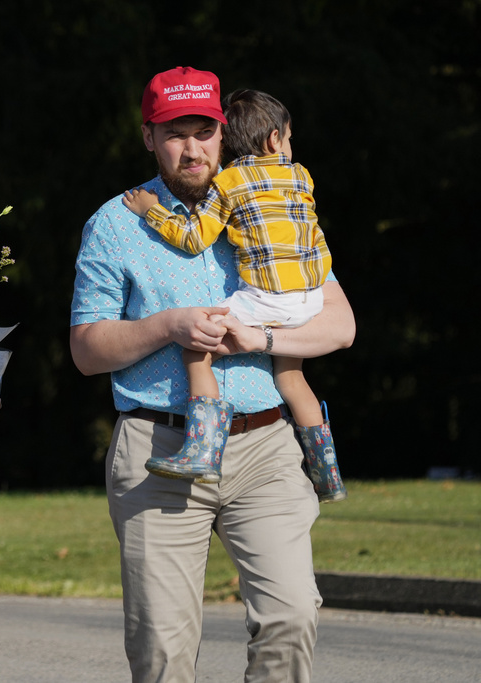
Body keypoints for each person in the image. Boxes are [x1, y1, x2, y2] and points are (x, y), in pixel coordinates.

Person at [70, 66, 356, 683]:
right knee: (163, 649)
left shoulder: (269, 200)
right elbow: (87, 350)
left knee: (292, 615)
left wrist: (263, 338)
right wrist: (167, 326)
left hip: (265, 448)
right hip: (159, 450)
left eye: (204, 132)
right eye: (175, 134)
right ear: (149, 137)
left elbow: (340, 324)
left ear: (224, 133)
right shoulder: (115, 224)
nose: (192, 148)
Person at [120, 88, 347, 501]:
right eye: (289, 137)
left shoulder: (230, 182)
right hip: (309, 296)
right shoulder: (300, 175)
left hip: (265, 298)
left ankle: (203, 451)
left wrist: (150, 210)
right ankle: (327, 475)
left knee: (197, 344)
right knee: (291, 378)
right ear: (275, 139)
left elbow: (193, 239)